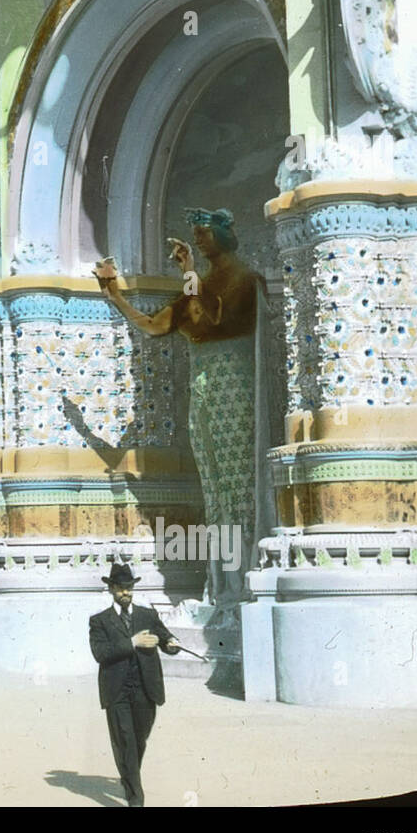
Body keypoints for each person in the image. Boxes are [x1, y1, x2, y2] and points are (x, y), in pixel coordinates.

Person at [95, 208, 278, 625]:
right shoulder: (200, 285)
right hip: (205, 393)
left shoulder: (244, 281)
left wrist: (190, 275)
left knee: (237, 481)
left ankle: (247, 579)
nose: (200, 242)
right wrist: (115, 294)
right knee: (214, 486)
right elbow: (154, 325)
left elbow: (211, 319)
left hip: (235, 387)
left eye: (206, 234)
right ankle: (223, 584)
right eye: (196, 237)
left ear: (227, 234)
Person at [89, 563, 180, 808]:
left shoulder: (147, 615)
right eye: (120, 588)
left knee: (139, 740)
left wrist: (171, 643)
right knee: (127, 741)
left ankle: (128, 775)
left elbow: (164, 637)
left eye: (129, 588)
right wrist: (132, 642)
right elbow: (100, 653)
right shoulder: (99, 621)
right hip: (117, 690)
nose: (125, 593)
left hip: (146, 689)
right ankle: (135, 799)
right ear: (111, 590)